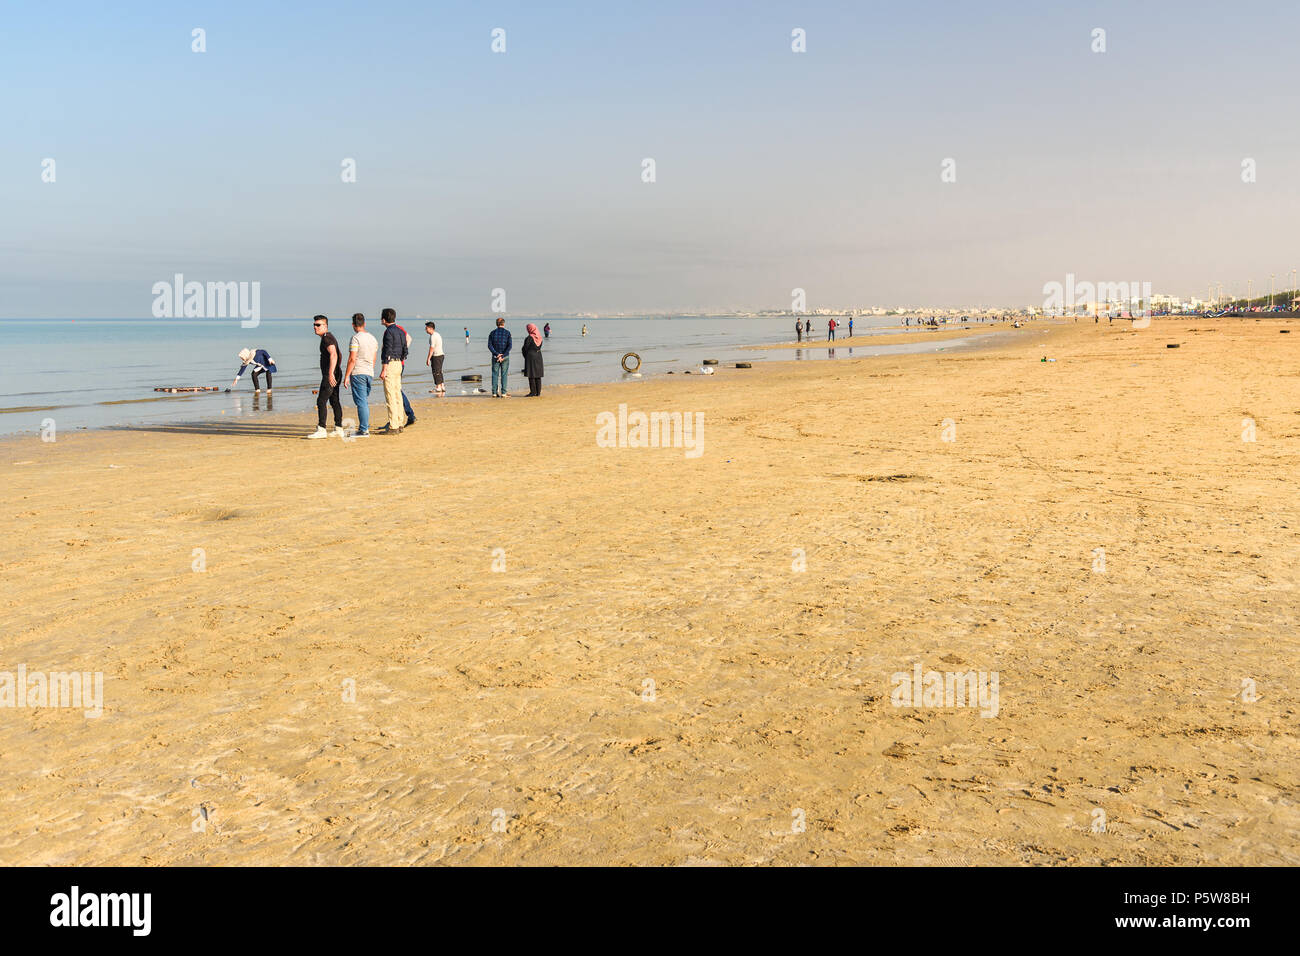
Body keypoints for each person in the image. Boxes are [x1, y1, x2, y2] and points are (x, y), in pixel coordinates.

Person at [342, 313, 378, 437]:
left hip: (358, 372)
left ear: (353, 325)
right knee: (364, 401)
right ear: (364, 323)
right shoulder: (373, 338)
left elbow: (352, 358)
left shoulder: (355, 338)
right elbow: (374, 357)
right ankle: (365, 427)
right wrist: (370, 369)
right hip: (369, 372)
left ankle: (364, 429)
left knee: (361, 402)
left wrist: (346, 376)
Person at [308, 315, 345, 439]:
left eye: (318, 325)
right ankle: (339, 428)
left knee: (321, 400)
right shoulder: (329, 337)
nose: (315, 327)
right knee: (334, 400)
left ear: (325, 326)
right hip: (336, 372)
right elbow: (339, 354)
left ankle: (321, 429)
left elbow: (334, 354)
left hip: (331, 374)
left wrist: (330, 374)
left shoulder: (326, 338)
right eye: (314, 324)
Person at [378, 308, 407, 433]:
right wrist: (401, 359)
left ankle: (393, 425)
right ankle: (400, 422)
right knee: (397, 394)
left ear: (384, 320)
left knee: (390, 395)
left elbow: (387, 351)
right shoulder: (400, 331)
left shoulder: (388, 332)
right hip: (399, 364)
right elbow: (405, 349)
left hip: (390, 364)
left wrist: (384, 368)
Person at [393, 319, 417, 426]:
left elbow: (409, 339)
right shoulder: (398, 329)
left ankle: (408, 414)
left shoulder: (397, 329)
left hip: (397, 363)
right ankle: (405, 415)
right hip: (399, 363)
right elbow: (409, 339)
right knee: (396, 390)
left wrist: (401, 353)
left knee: (395, 390)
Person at [488, 316, 512, 398]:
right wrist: (503, 355)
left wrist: (496, 354)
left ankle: (494, 393)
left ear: (496, 324)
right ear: (503, 324)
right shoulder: (508, 333)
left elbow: (489, 346)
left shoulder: (492, 333)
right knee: (504, 375)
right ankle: (503, 393)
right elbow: (510, 346)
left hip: (495, 357)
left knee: (495, 374)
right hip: (505, 357)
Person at [522, 322, 544, 396]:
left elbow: (525, 348)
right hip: (538, 356)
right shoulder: (540, 337)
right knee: (538, 375)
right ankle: (538, 392)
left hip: (530, 357)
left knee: (531, 375)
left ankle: (532, 392)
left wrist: (525, 356)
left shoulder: (529, 338)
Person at [425, 321, 445, 395]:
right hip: (441, 355)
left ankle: (438, 387)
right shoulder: (437, 334)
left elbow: (431, 348)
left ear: (430, 328)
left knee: (436, 372)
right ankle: (442, 386)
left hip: (436, 356)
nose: (425, 330)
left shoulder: (433, 336)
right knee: (439, 371)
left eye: (426, 328)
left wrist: (428, 359)